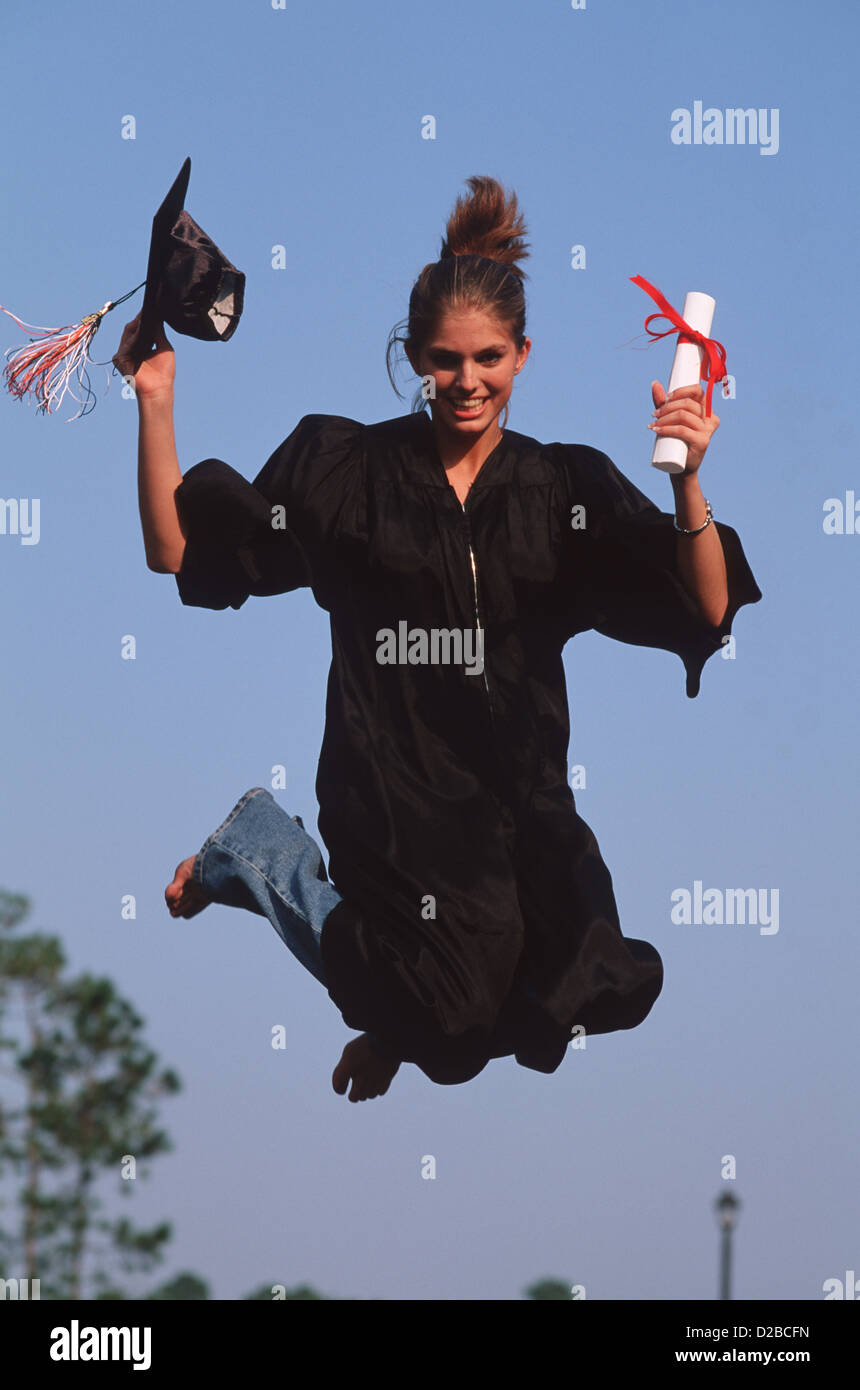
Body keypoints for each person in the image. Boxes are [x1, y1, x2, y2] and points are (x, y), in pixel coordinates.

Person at [114, 176, 761, 1104]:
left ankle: (400, 1019)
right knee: (453, 1021)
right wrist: (157, 400)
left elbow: (705, 610)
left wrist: (688, 482)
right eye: (448, 361)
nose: (469, 382)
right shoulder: (348, 477)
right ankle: (260, 850)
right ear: (417, 356)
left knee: (590, 985)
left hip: (522, 808)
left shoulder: (558, 490)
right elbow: (179, 554)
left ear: (524, 355)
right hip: (397, 800)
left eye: (490, 359)